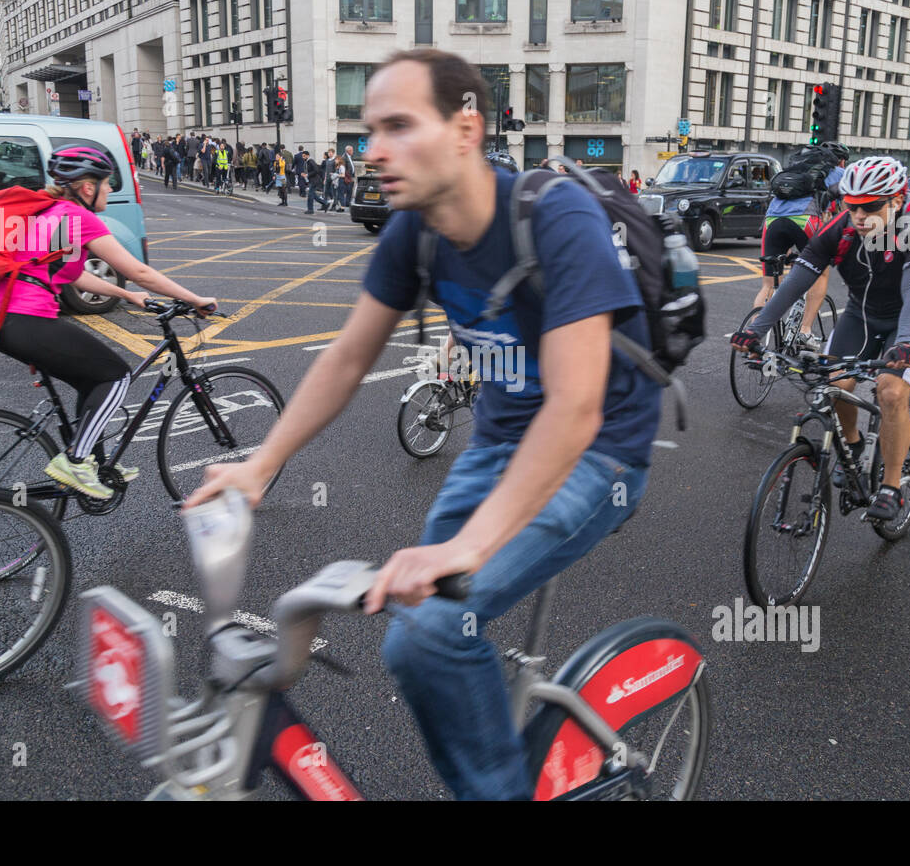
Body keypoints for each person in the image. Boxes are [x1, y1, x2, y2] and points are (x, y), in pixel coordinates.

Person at [184, 48, 659, 800]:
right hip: (503, 442)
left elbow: (575, 409)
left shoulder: (555, 216)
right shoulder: (417, 231)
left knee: (434, 629)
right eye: (371, 129)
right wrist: (260, 463)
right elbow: (346, 358)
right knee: (417, 634)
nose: (372, 151)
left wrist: (469, 546)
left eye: (399, 126)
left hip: (601, 455)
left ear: (466, 127)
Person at [0, 146, 217, 499]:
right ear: (87, 188)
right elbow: (138, 271)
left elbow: (67, 274)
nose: (109, 190)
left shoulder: (57, 214)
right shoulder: (79, 218)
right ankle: (75, 461)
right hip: (24, 318)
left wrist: (126, 295)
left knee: (91, 381)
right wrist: (195, 299)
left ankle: (92, 460)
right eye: (107, 184)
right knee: (114, 375)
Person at [732, 156, 910, 522]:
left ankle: (892, 486)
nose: (859, 217)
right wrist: (757, 329)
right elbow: (799, 278)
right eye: (852, 207)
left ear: (896, 200)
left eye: (869, 208)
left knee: (891, 391)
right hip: (862, 313)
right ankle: (852, 442)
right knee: (836, 383)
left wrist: (907, 341)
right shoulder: (843, 229)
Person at [751, 141, 849, 351]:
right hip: (804, 219)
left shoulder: (796, 167)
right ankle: (805, 331)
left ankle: (752, 338)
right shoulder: (838, 172)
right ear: (840, 161)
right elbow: (849, 209)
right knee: (820, 272)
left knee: (769, 284)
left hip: (772, 220)